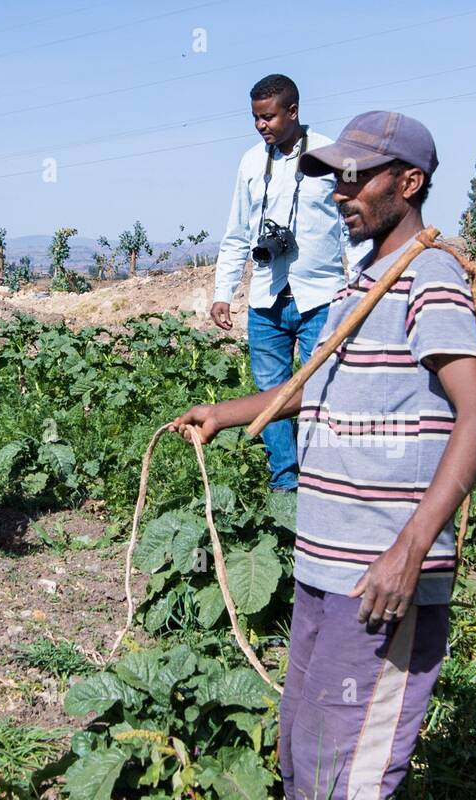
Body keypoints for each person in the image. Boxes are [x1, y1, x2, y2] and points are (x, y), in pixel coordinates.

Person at [173, 111, 476, 800]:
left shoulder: (431, 277)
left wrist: (408, 552)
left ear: (410, 182)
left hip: (381, 573)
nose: (341, 192)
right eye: (336, 178)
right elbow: (306, 385)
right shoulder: (362, 279)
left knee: (353, 779)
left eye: (359, 177)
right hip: (324, 563)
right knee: (307, 751)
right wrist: (225, 415)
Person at [210, 74, 365, 492]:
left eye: (269, 117)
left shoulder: (332, 154)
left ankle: (326, 478)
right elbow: (237, 232)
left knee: (324, 388)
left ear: (293, 112)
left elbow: (353, 226)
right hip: (266, 298)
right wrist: (223, 292)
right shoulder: (248, 163)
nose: (261, 126)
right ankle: (285, 483)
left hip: (321, 296)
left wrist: (364, 286)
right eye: (256, 119)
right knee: (272, 392)